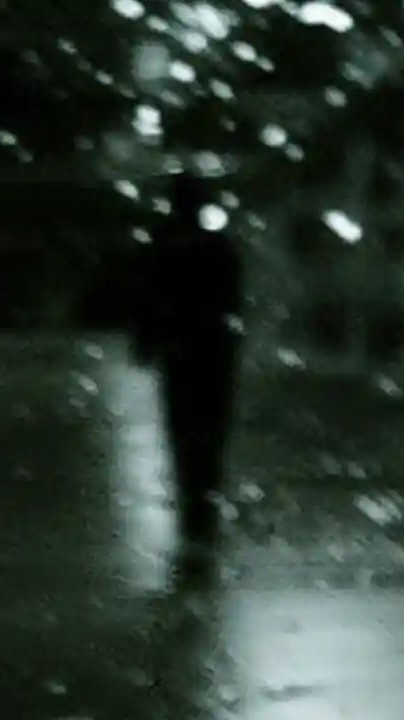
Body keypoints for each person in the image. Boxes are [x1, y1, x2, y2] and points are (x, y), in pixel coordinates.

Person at [134, 171, 244, 560]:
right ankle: (203, 506)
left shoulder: (164, 244)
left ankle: (193, 505)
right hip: (210, 347)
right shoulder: (217, 245)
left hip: (181, 348)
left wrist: (148, 341)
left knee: (185, 429)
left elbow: (149, 296)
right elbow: (233, 298)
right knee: (210, 430)